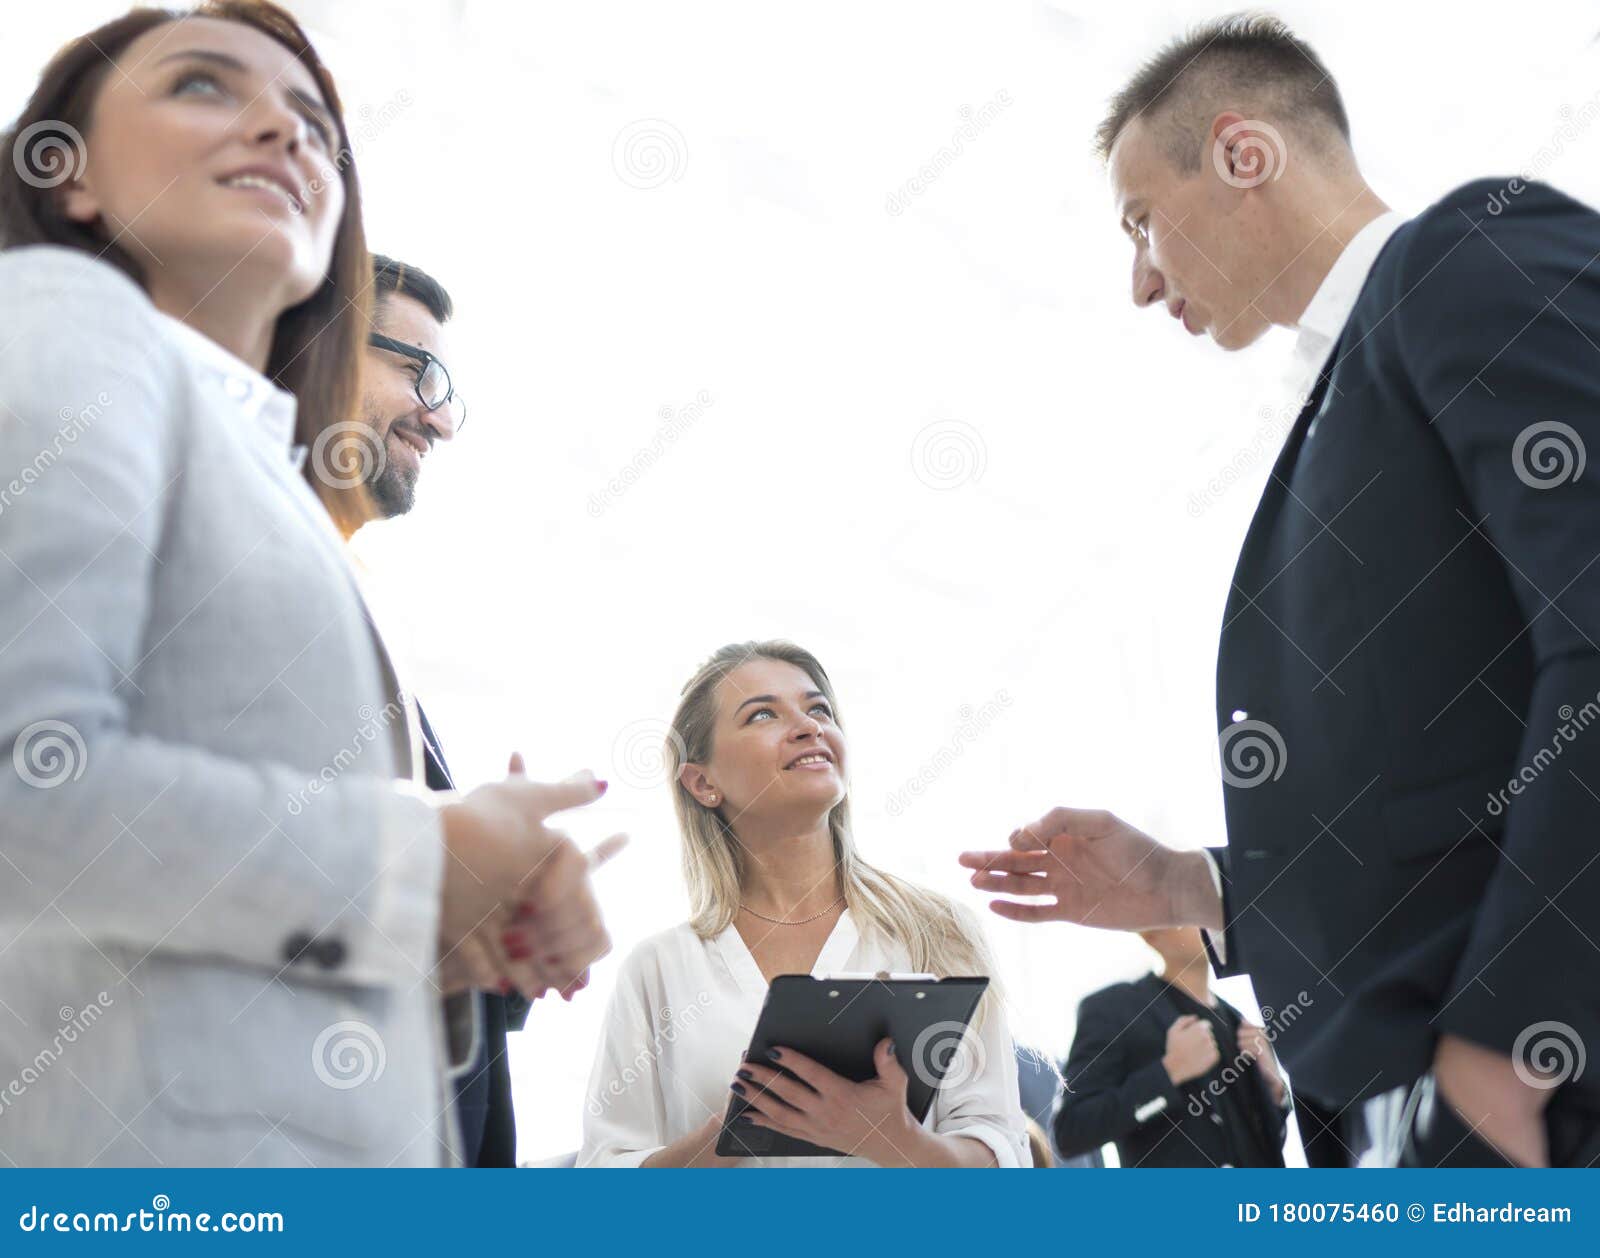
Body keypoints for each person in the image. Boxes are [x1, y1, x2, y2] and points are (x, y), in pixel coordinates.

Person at [961, 12, 1600, 1167]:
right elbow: (1439, 787)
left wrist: (1513, 1039)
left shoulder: (1463, 258)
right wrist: (1193, 882)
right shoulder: (1344, 397)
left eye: (1141, 221)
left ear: (1243, 154)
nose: (1142, 282)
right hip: (1400, 1115)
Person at [0, 1, 615, 1166]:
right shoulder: (65, 321)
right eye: (202, 86)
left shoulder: (252, 466)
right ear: (67, 175)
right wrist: (425, 856)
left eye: (316, 126)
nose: (284, 133)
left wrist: (473, 906)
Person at [579, 641, 1027, 1167]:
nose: (809, 726)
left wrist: (892, 1139)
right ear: (703, 783)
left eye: (819, 709)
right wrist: (727, 1134)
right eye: (763, 714)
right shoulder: (657, 968)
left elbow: (1003, 1155)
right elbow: (606, 1172)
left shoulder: (938, 932)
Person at [349, 252, 532, 1166]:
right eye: (415, 370)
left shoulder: (365, 624)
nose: (443, 418)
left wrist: (496, 921)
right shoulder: (212, 581)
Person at [1053, 928, 1289, 1167]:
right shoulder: (1114, 1010)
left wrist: (1275, 1091)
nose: (1209, 921)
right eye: (1190, 907)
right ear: (1149, 933)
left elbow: (1262, 1147)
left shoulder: (1240, 1022)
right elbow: (1069, 1132)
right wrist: (1169, 1072)